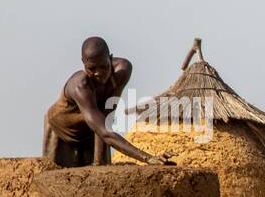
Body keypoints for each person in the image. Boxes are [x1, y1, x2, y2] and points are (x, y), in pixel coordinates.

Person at [43, 37, 174, 167]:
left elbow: (106, 118)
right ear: (83, 63)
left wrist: (99, 161)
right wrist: (148, 158)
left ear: (110, 58)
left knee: (101, 171)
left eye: (103, 66)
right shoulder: (80, 86)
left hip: (93, 130)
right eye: (92, 68)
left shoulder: (122, 71)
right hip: (62, 130)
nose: (98, 73)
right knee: (57, 175)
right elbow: (105, 132)